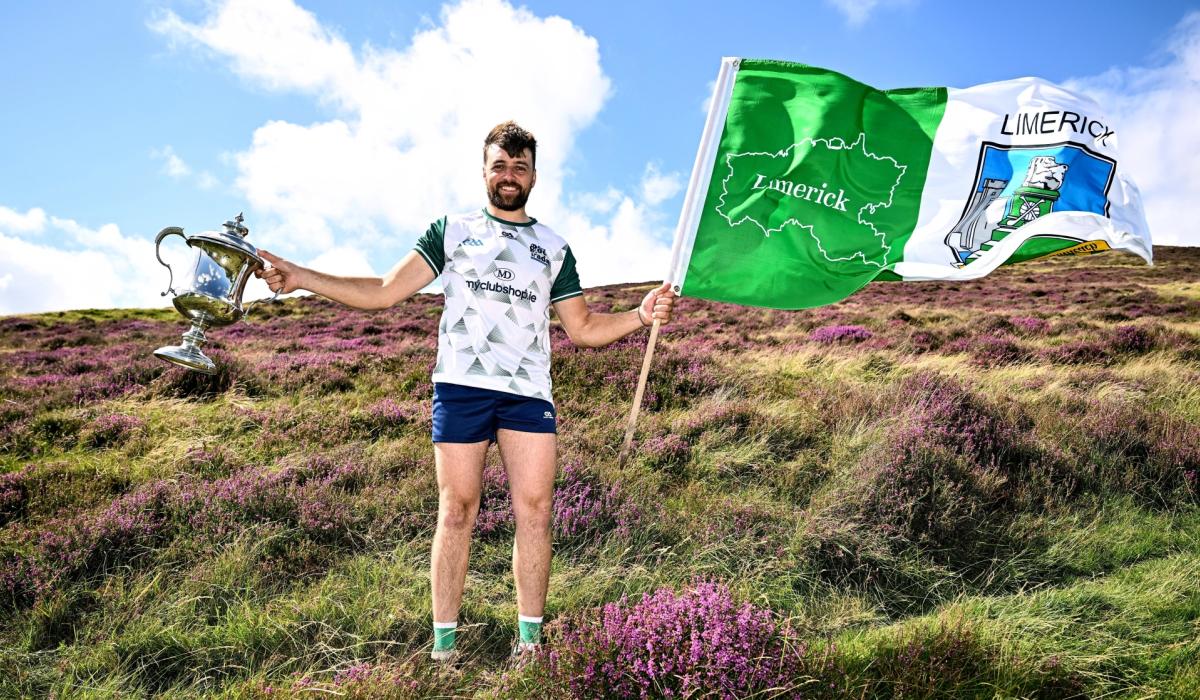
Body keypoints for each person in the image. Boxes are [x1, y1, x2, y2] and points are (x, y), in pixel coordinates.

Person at [255, 121, 676, 661]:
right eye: (500, 165)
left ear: (534, 176)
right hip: (461, 388)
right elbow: (383, 291)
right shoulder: (450, 231)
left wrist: (640, 315)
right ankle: (444, 650)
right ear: (483, 171)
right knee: (456, 509)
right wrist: (301, 277)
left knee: (536, 511)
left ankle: (530, 646)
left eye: (520, 167)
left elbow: (584, 328)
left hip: (527, 394)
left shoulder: (554, 248)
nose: (509, 175)